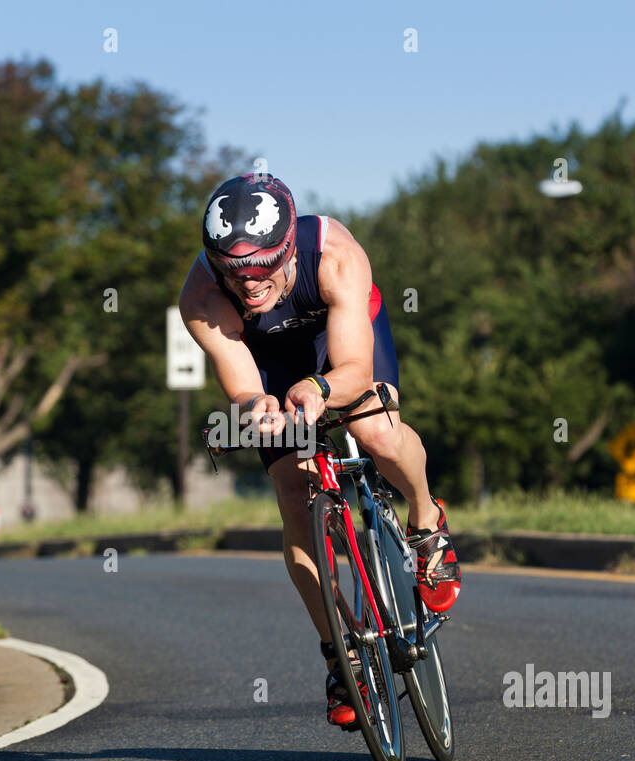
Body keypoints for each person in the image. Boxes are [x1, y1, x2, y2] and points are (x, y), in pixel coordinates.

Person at [177, 173, 461, 729]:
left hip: (341, 342)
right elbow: (242, 385)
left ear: (286, 251)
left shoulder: (335, 256)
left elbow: (354, 367)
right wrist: (258, 406)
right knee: (292, 490)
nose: (249, 284)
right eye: (235, 272)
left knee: (377, 432)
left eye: (262, 268)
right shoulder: (203, 296)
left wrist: (322, 388)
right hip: (267, 358)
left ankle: (426, 518)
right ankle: (341, 652)